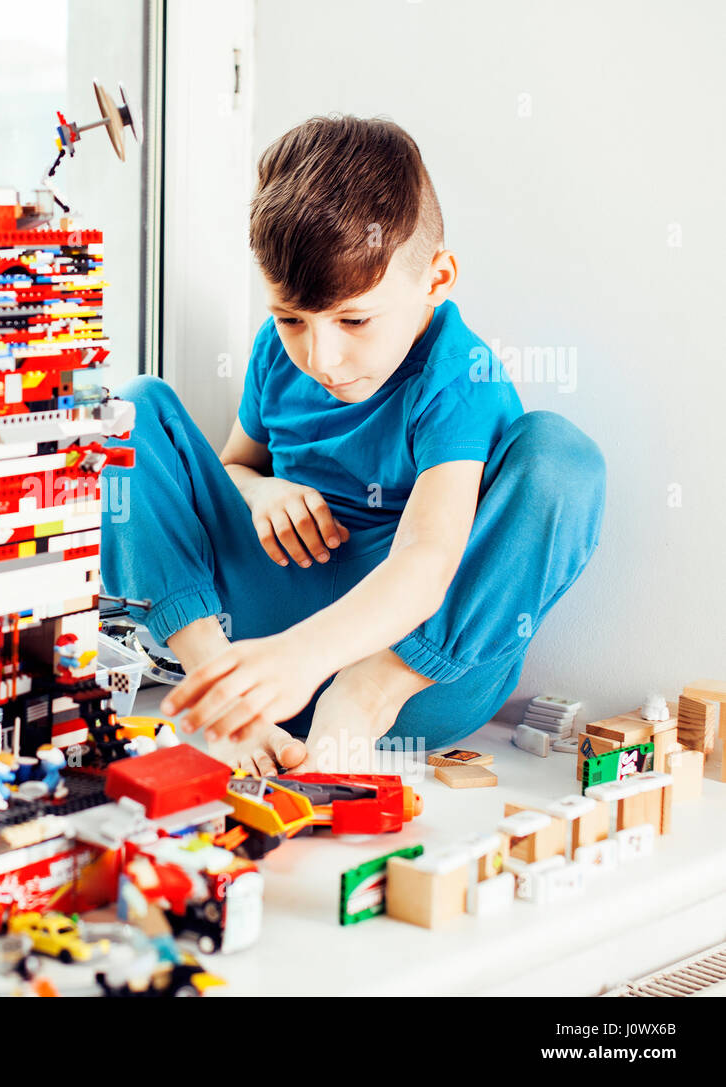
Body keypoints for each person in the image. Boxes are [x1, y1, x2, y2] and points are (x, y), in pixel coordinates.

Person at [100, 115, 606, 775]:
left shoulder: (456, 377)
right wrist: (262, 489)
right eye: (290, 319)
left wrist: (313, 661)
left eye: (354, 319)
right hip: (260, 651)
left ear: (437, 278)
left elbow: (428, 558)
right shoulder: (277, 357)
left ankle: (364, 697)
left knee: (560, 456)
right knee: (130, 409)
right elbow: (234, 468)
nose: (322, 356)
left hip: (408, 673)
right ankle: (221, 695)